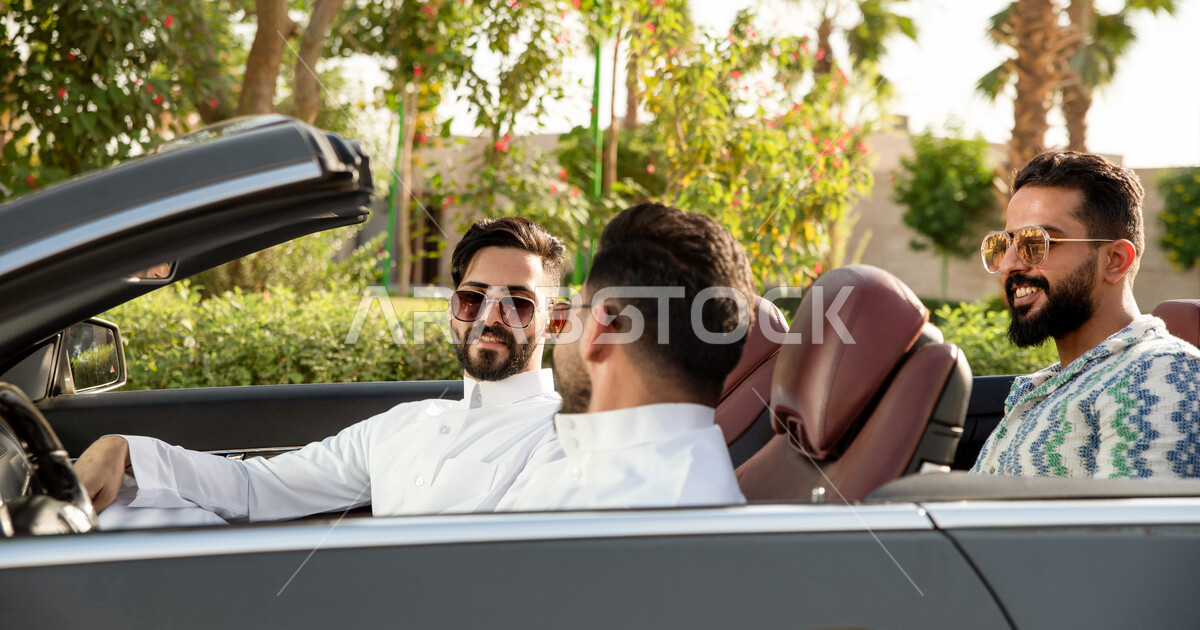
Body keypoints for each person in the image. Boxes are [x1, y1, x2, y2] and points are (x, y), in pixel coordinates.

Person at [75, 217, 568, 525]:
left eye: (518, 303)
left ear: (557, 319)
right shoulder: (402, 425)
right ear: (451, 309)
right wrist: (126, 449)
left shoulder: (562, 436)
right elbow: (258, 488)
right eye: (473, 297)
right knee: (137, 515)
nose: (489, 317)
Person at [499, 202, 752, 510]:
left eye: (565, 317)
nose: (557, 337)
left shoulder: (618, 516)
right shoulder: (690, 495)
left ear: (597, 330)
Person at [971, 151, 1200, 479]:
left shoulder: (1158, 374)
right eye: (1005, 243)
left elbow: (1135, 529)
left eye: (1036, 243)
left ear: (1114, 260)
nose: (1008, 264)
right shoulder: (1048, 385)